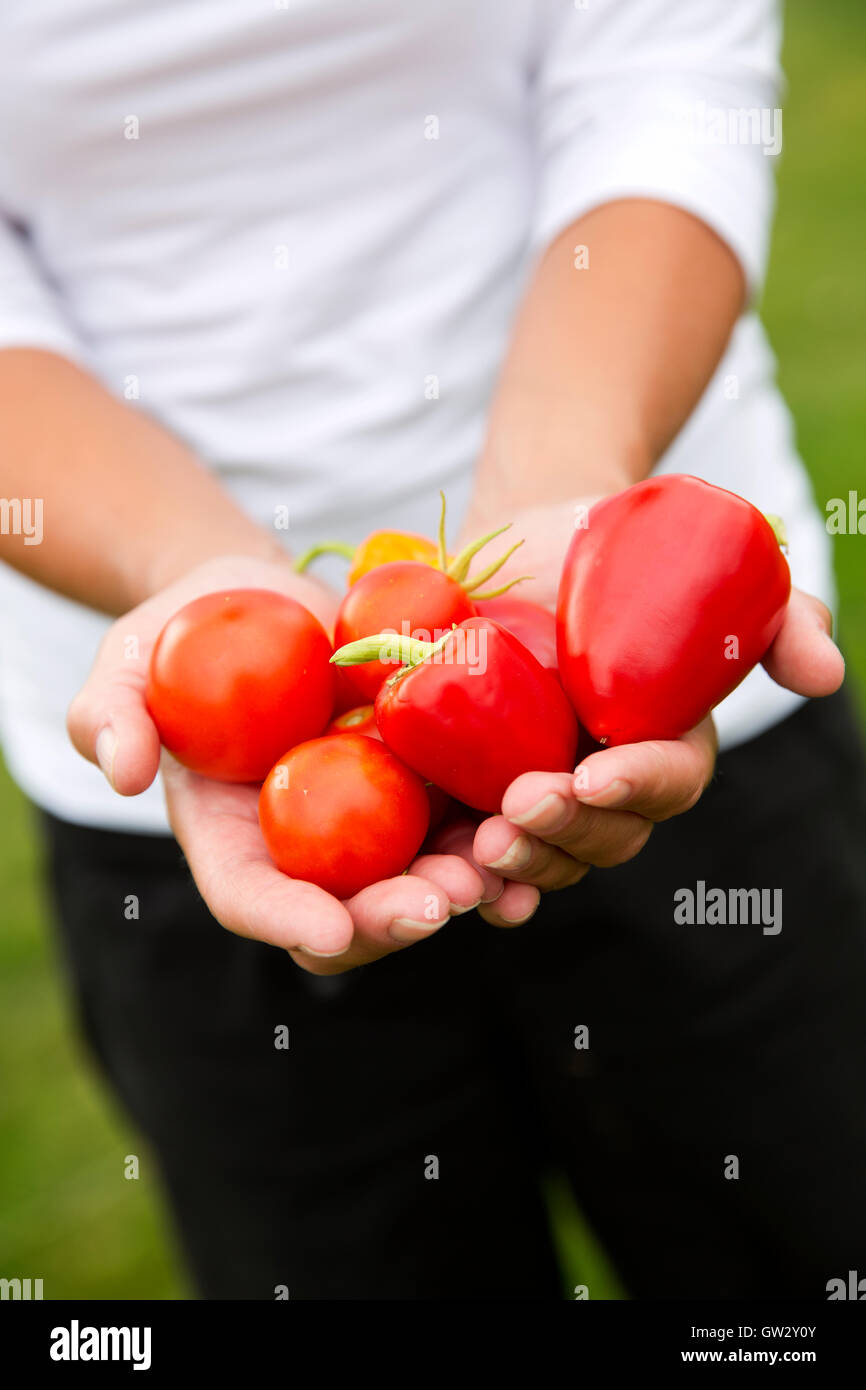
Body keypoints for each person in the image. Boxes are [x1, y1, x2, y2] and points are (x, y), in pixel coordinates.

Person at [1, 0, 864, 1300]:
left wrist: (570, 496)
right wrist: (191, 580)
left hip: (647, 632)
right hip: (182, 772)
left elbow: (659, 67)